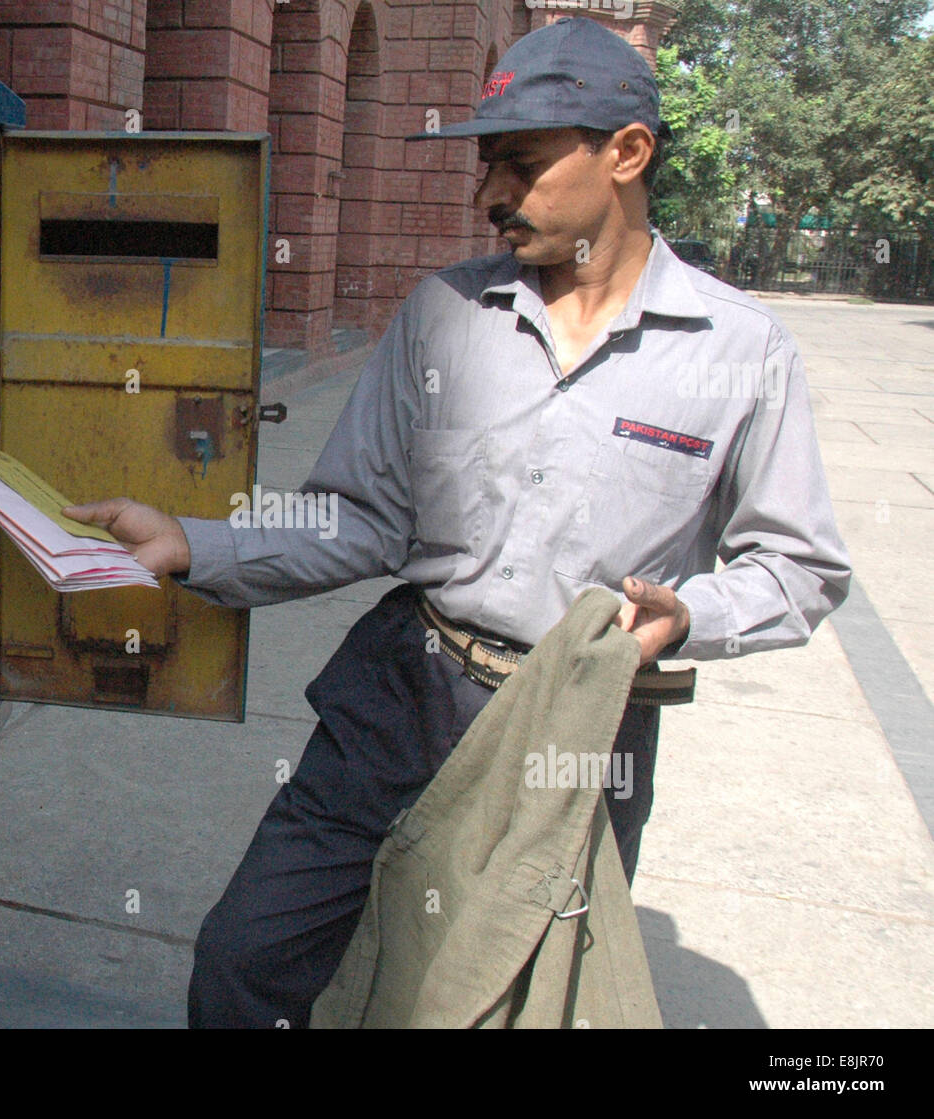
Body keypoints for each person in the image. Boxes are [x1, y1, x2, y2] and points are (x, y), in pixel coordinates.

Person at [64, 16, 851, 1028]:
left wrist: (682, 618)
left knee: (479, 1001)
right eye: (486, 167)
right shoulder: (442, 314)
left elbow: (797, 569)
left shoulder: (739, 351)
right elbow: (361, 520)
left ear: (626, 153)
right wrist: (194, 542)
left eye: (519, 165)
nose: (490, 197)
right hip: (400, 696)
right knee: (248, 962)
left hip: (572, 731)